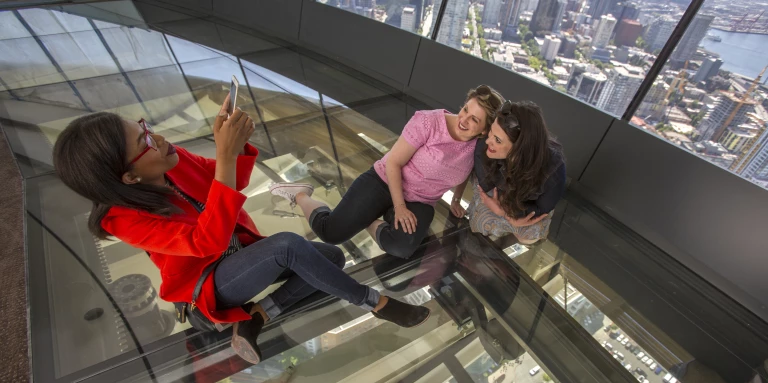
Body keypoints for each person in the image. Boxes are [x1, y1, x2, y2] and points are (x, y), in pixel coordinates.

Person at [52, 95, 430, 365]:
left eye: (145, 128)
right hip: (209, 284)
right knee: (288, 246)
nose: (159, 139)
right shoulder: (123, 220)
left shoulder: (169, 159)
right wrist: (225, 155)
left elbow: (232, 179)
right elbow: (205, 241)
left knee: (331, 258)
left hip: (240, 256)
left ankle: (259, 316)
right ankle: (376, 304)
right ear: (129, 177)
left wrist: (232, 148)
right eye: (145, 141)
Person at [268, 85, 504, 259]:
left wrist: (455, 198)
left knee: (402, 248)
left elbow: (466, 170)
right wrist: (399, 207)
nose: (464, 119)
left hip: (421, 201)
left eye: (474, 120)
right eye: (465, 109)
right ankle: (301, 194)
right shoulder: (428, 122)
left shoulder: (479, 148)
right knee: (331, 234)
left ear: (484, 131)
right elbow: (393, 163)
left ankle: (370, 219)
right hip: (384, 181)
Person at [451, 100, 566, 244]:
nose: (488, 141)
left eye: (498, 140)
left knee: (529, 236)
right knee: (481, 224)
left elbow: (542, 208)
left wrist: (508, 214)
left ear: (520, 149)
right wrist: (505, 214)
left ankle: (506, 245)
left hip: (523, 204)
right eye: (491, 132)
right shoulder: (483, 149)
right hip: (496, 193)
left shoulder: (554, 171)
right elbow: (488, 188)